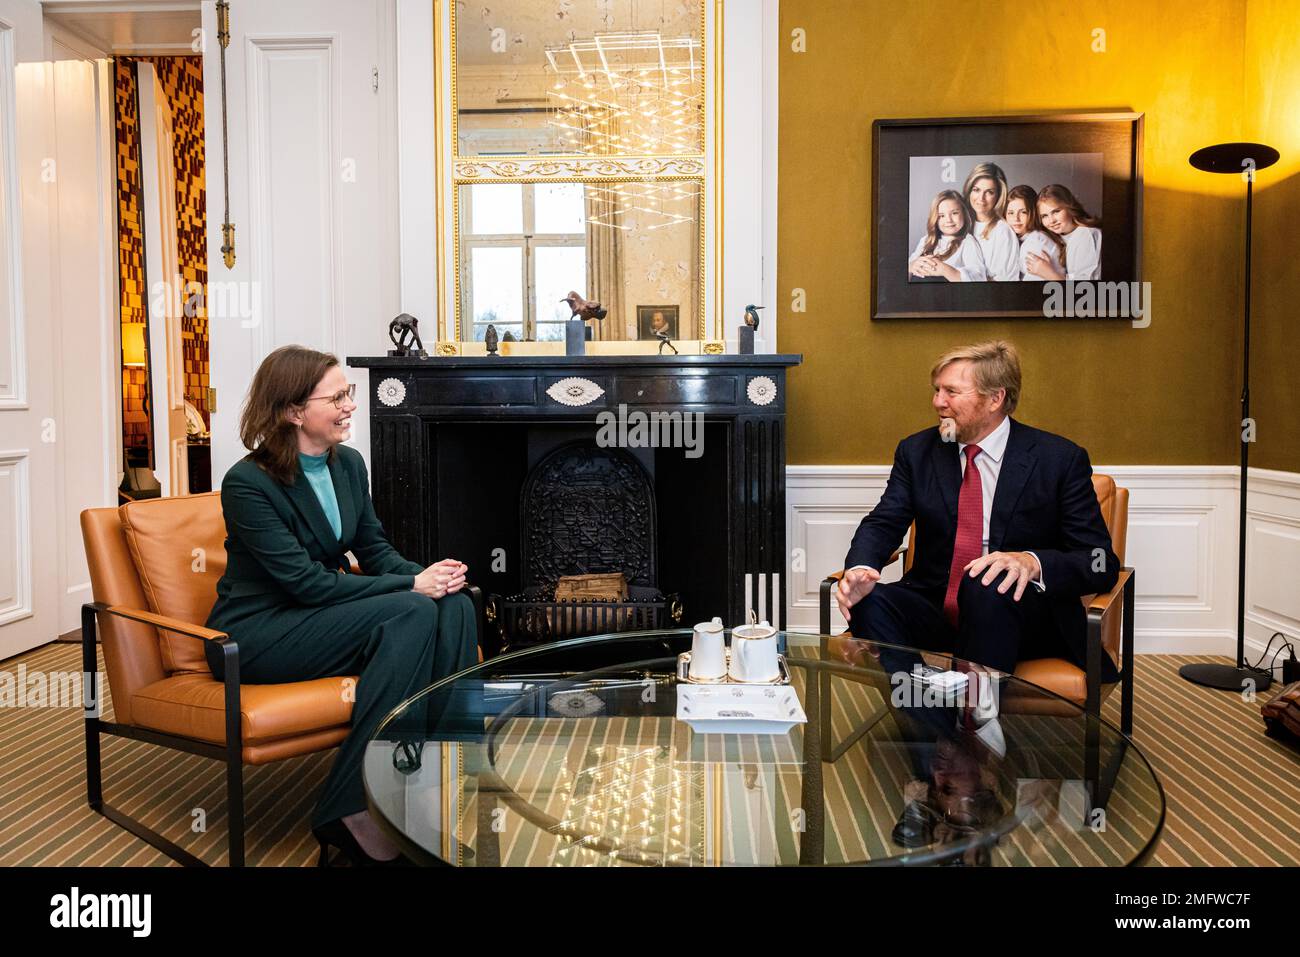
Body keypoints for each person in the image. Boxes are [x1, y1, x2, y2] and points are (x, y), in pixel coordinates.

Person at [205, 345, 478, 866]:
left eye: (348, 392)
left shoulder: (348, 464)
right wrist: (411, 590)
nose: (350, 404)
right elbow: (305, 584)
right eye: (337, 397)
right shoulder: (248, 483)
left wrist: (428, 577)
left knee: (455, 606)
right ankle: (353, 808)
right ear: (292, 411)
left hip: (320, 619)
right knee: (415, 609)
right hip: (258, 633)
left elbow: (373, 550)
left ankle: (430, 777)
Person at [836, 340, 1120, 691]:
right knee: (870, 599)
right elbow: (884, 520)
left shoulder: (1058, 460)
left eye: (951, 392)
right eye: (937, 390)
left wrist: (1032, 562)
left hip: (1019, 618)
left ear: (995, 399)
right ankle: (950, 730)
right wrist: (861, 567)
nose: (938, 402)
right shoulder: (917, 451)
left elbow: (1100, 562)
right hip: (936, 607)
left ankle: (966, 721)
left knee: (987, 580)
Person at [907, 190, 988, 282]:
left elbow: (978, 277)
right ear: (935, 219)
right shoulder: (926, 240)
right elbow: (908, 270)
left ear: (964, 215)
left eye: (954, 213)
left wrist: (944, 270)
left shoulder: (967, 241)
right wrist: (912, 266)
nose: (949, 220)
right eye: (942, 216)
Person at [1029, 184, 1102, 280]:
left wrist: (1048, 273)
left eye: (1056, 211)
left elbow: (1085, 289)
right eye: (1044, 216)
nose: (1051, 221)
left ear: (1070, 207)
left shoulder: (1086, 235)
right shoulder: (1064, 239)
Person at [960, 163, 1020, 281]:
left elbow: (1006, 280)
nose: (981, 198)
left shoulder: (1003, 231)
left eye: (989, 192)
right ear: (969, 190)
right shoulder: (959, 223)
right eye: (976, 190)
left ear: (998, 196)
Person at [1004, 184, 1062, 281]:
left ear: (1033, 213)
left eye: (1023, 212)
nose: (1016, 219)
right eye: (1011, 213)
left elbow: (1031, 289)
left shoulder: (1035, 243)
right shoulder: (1025, 239)